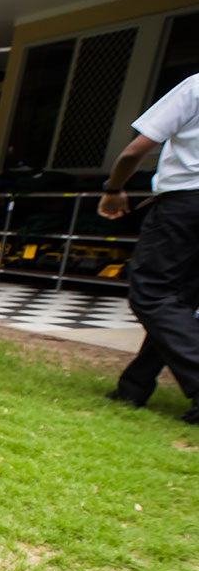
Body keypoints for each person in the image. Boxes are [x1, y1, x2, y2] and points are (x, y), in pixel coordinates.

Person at [97, 73, 199, 422]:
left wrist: (114, 189)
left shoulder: (195, 87)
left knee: (152, 295)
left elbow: (135, 150)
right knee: (178, 300)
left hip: (185, 204)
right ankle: (134, 387)